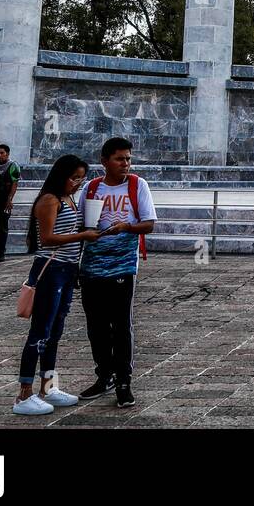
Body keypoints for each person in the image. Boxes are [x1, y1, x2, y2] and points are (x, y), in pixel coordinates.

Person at [15, 154, 101, 416]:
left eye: (81, 178)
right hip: (49, 269)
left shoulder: (69, 200)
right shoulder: (49, 200)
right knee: (40, 331)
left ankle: (48, 387)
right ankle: (24, 394)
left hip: (67, 270)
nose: (77, 183)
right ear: (61, 175)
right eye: (74, 177)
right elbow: (48, 238)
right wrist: (83, 234)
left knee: (55, 332)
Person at [77, 137, 156, 409]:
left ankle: (124, 381)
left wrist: (126, 227)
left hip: (123, 264)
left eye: (128, 158)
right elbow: (80, 224)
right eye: (119, 158)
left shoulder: (137, 185)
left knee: (121, 325)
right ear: (104, 161)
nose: (126, 164)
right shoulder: (91, 188)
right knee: (96, 326)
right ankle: (104, 375)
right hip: (92, 264)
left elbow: (148, 224)